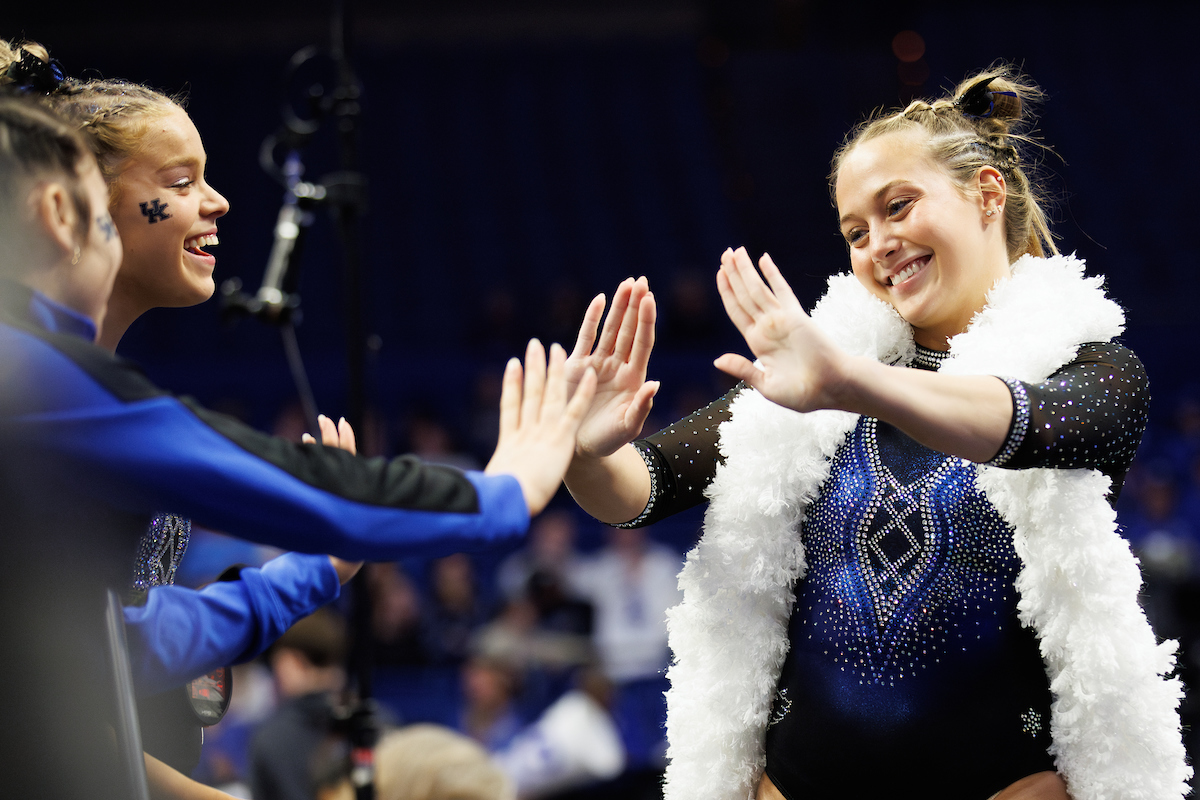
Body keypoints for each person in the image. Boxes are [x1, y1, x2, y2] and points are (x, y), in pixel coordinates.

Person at [562, 68, 1188, 799]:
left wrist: (851, 383)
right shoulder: (818, 383)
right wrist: (587, 449)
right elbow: (642, 491)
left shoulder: (1093, 367)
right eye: (856, 232)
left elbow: (1022, 421)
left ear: (987, 195)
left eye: (899, 207)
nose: (880, 243)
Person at [0, 80, 594, 800]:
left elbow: (111, 651)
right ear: (60, 213)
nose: (217, 201)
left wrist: (314, 570)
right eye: (181, 182)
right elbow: (258, 474)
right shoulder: (28, 372)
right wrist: (500, 493)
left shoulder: (47, 381)